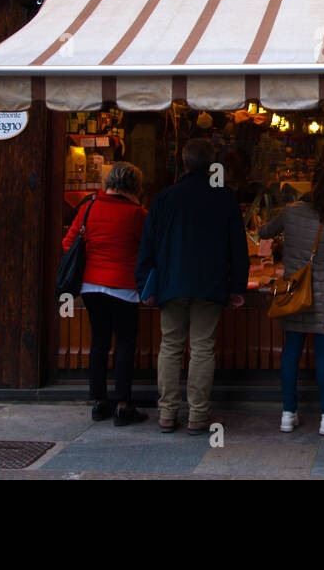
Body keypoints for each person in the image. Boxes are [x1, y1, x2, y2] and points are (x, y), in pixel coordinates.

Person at [136, 138, 249, 435]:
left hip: (171, 282)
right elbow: (238, 247)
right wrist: (238, 286)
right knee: (202, 348)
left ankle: (167, 413)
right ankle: (198, 415)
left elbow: (147, 245)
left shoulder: (163, 198)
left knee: (170, 347)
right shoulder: (224, 198)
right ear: (213, 164)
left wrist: (143, 285)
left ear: (183, 163)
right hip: (209, 283)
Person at [258, 165, 324, 436]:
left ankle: (288, 413)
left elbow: (265, 232)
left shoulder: (291, 211)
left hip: (295, 292)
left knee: (291, 353)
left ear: (312, 184)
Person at [63, 161, 149, 426]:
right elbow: (147, 251)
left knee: (99, 341)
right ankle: (123, 404)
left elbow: (68, 243)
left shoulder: (88, 208)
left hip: (91, 286)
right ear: (135, 186)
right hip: (124, 287)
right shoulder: (138, 215)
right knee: (125, 343)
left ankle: (99, 401)